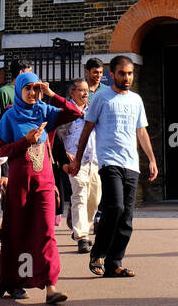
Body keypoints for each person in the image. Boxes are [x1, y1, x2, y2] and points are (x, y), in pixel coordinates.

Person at [67, 54, 158, 278]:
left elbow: (141, 131)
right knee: (114, 207)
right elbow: (87, 129)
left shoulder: (136, 100)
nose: (126, 77)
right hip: (108, 161)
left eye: (130, 74)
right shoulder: (102, 98)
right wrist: (77, 158)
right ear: (112, 74)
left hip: (131, 163)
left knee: (127, 216)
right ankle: (98, 253)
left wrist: (152, 159)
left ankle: (114, 262)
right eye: (122, 73)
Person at [0, 72, 82, 303]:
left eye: (37, 89)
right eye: (29, 89)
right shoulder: (10, 117)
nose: (33, 94)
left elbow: (75, 112)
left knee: (46, 231)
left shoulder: (44, 110)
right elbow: (0, 151)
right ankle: (15, 282)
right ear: (19, 90)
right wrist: (26, 141)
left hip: (44, 181)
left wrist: (52, 94)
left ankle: (50, 285)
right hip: (19, 183)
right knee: (18, 232)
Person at [57, 78, 100, 254]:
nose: (85, 93)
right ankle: (82, 236)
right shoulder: (67, 112)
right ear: (72, 92)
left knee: (94, 199)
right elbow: (58, 136)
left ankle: (79, 226)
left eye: (86, 91)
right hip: (76, 161)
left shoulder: (94, 110)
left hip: (95, 159)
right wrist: (65, 159)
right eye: (81, 90)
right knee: (80, 195)